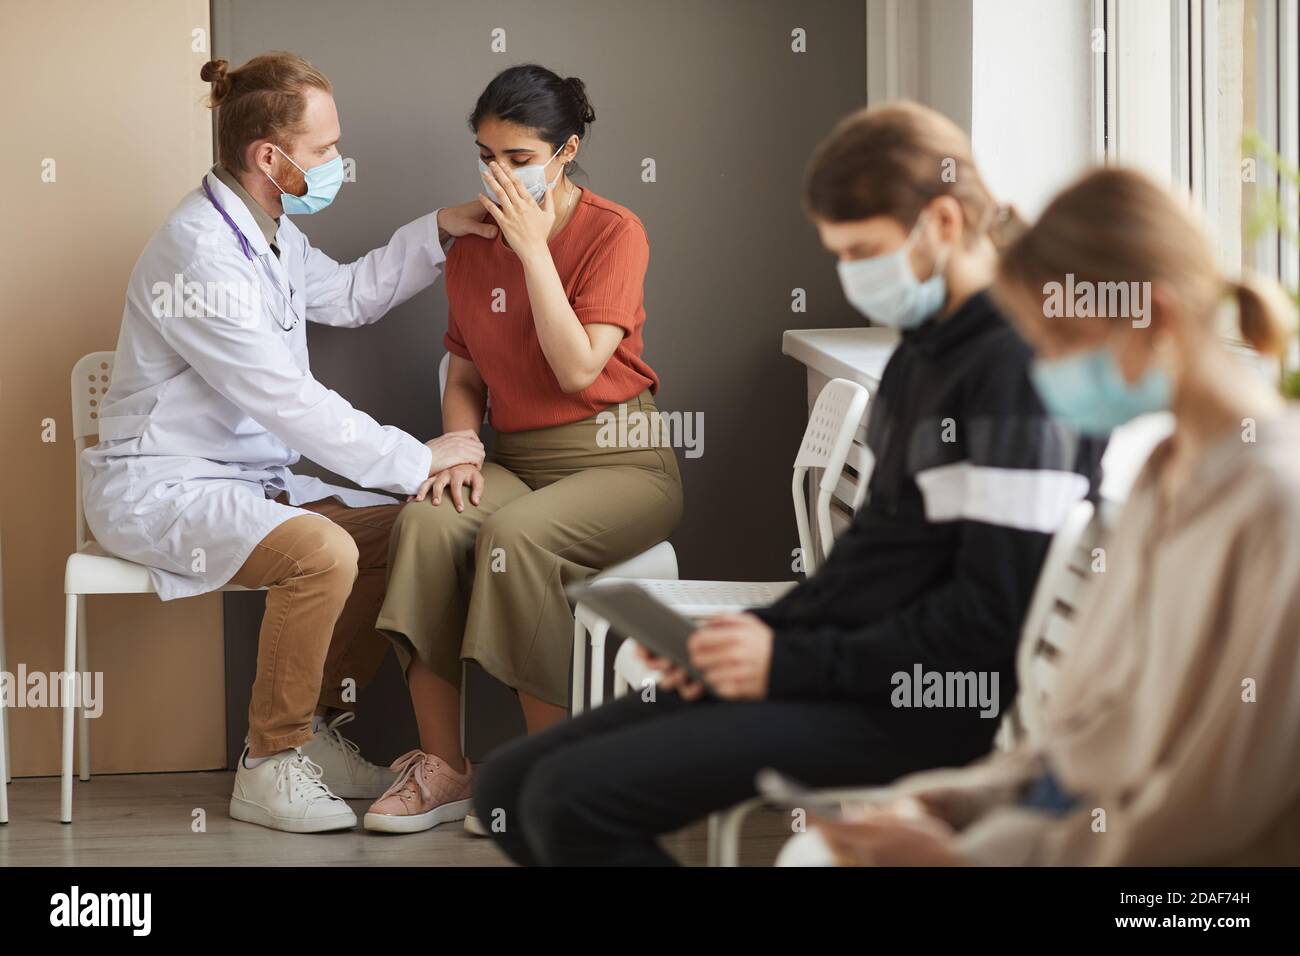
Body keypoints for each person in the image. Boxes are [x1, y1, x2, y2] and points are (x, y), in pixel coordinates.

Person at [471, 101, 1105, 865]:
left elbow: (979, 628)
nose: (852, 274)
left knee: (566, 799)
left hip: (916, 706)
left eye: (863, 249)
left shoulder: (1016, 373)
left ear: (942, 221)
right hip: (837, 671)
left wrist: (786, 663)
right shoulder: (926, 354)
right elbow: (870, 564)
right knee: (508, 785)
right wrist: (754, 637)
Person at [794, 166, 1300, 867]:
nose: (1042, 372)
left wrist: (970, 859)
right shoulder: (1163, 474)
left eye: (1058, 343)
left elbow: (1211, 812)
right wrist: (953, 800)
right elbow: (1085, 737)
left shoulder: (1277, 505)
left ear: (1151, 315)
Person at [82, 52, 493, 833]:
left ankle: (309, 730)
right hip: (161, 487)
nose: (339, 163)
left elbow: (347, 295)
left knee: (403, 531)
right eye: (325, 149)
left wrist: (439, 230)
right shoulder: (200, 252)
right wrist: (417, 458)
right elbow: (283, 398)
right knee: (325, 551)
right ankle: (268, 763)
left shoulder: (266, 232)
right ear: (269, 157)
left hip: (242, 484)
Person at [361, 64, 683, 835]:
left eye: (518, 158)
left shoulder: (614, 232)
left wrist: (535, 251)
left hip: (621, 461)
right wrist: (463, 445)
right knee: (429, 520)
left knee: (515, 539)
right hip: (518, 459)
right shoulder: (472, 244)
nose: (497, 176)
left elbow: (578, 367)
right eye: (486, 155)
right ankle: (445, 769)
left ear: (565, 151)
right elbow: (465, 372)